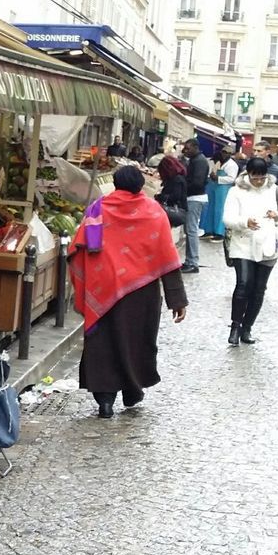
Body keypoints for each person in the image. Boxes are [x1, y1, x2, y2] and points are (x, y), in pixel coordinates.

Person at [69, 166, 187, 418]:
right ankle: (132, 390)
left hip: (103, 287)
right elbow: (167, 255)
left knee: (103, 341)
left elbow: (81, 247)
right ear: (140, 185)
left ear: (115, 183)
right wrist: (177, 299)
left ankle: (105, 399)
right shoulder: (154, 212)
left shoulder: (97, 209)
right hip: (142, 291)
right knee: (137, 340)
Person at [222, 157, 278, 346]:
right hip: (243, 244)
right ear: (248, 174)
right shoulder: (236, 191)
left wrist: (276, 216)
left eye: (262, 177)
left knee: (258, 290)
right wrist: (244, 222)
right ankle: (235, 326)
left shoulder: (275, 190)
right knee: (244, 284)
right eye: (255, 178)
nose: (259, 181)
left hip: (267, 246)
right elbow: (228, 219)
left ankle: (247, 327)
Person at [181, 138, 210, 273]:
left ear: (195, 147)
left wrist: (183, 187)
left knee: (191, 230)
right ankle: (190, 260)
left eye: (187, 148)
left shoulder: (199, 161)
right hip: (194, 197)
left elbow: (197, 183)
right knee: (190, 230)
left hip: (195, 198)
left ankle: (192, 262)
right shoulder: (195, 160)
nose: (185, 151)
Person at [205, 147, 238, 242]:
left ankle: (220, 233)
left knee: (221, 209)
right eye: (223, 152)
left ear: (231, 154)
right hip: (215, 187)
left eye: (227, 153)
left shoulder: (232, 165)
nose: (224, 154)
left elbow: (232, 179)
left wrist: (218, 178)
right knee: (212, 208)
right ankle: (210, 230)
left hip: (224, 189)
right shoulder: (219, 162)